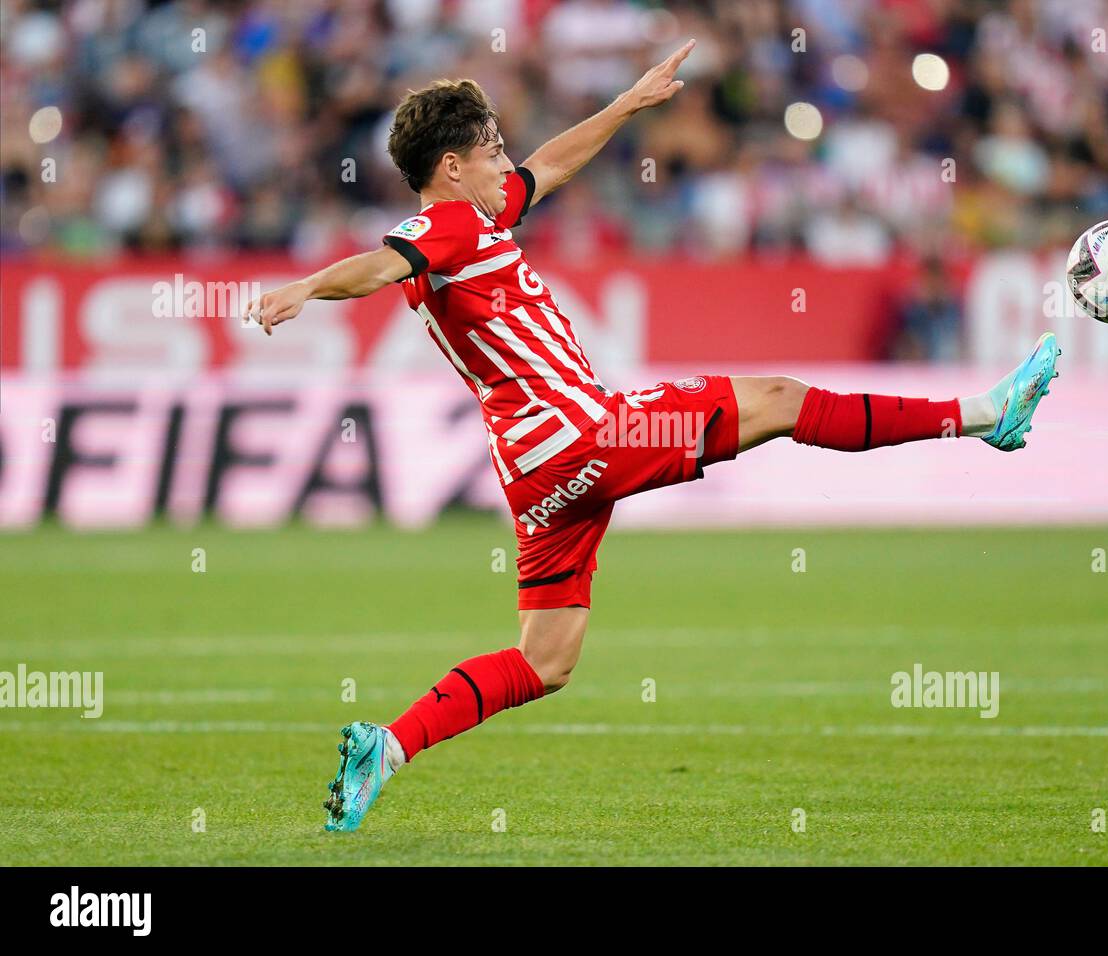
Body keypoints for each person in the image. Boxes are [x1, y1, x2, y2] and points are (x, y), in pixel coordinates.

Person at [246, 40, 1060, 832]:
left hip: (533, 472)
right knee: (779, 400)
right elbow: (381, 265)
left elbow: (550, 166)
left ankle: (388, 748)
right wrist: (307, 286)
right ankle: (983, 415)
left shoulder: (478, 220)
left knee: (545, 661)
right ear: (452, 167)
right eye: (493, 153)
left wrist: (627, 104)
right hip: (581, 436)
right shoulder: (448, 228)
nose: (508, 164)